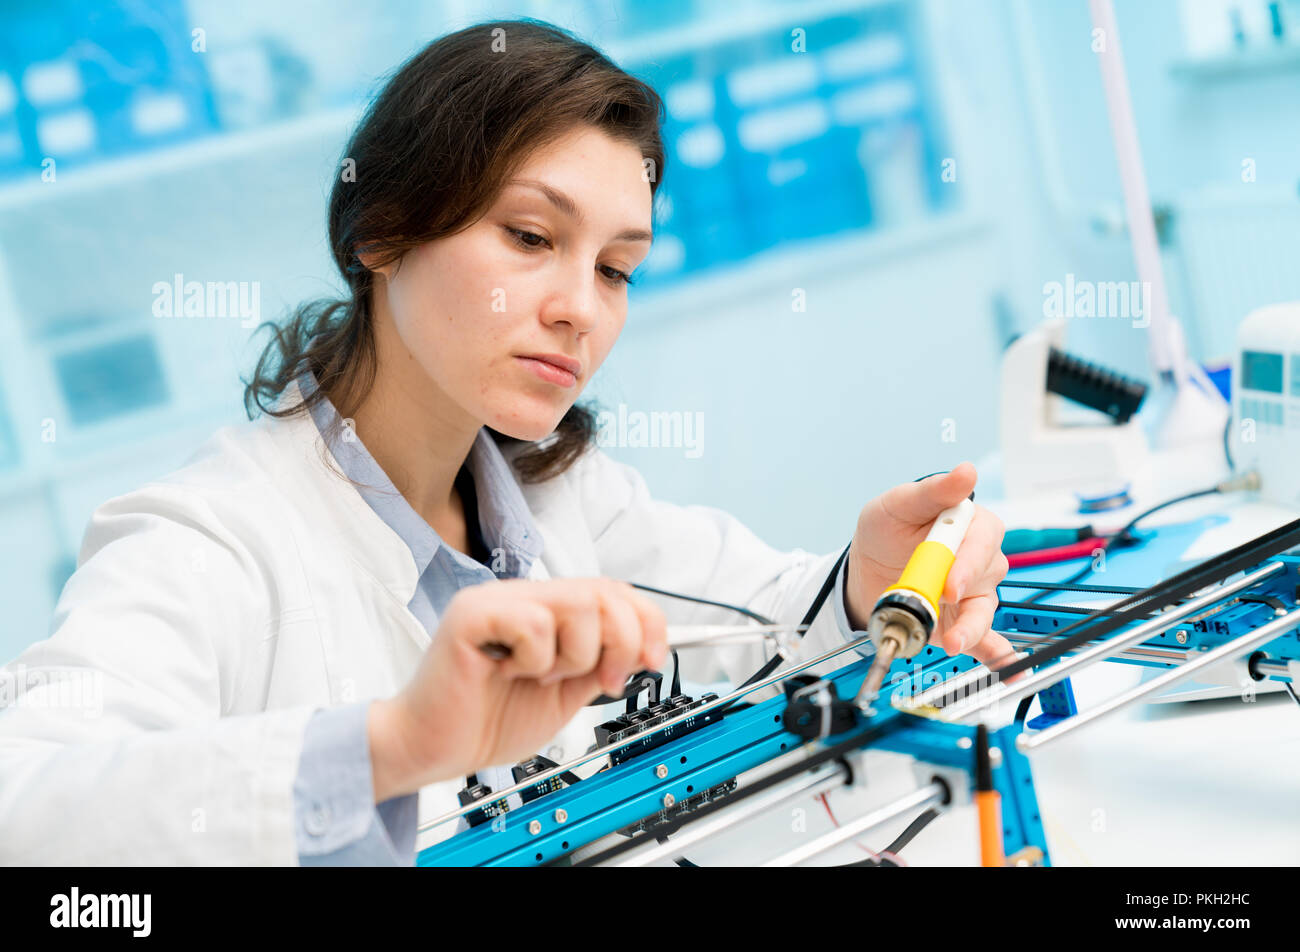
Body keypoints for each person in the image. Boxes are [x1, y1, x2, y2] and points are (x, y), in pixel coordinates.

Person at [0, 19, 1010, 865]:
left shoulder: (562, 491)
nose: (580, 309)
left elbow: (765, 621)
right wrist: (387, 748)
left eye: (616, 268)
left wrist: (861, 587)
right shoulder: (208, 542)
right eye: (530, 238)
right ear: (383, 232)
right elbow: (29, 803)